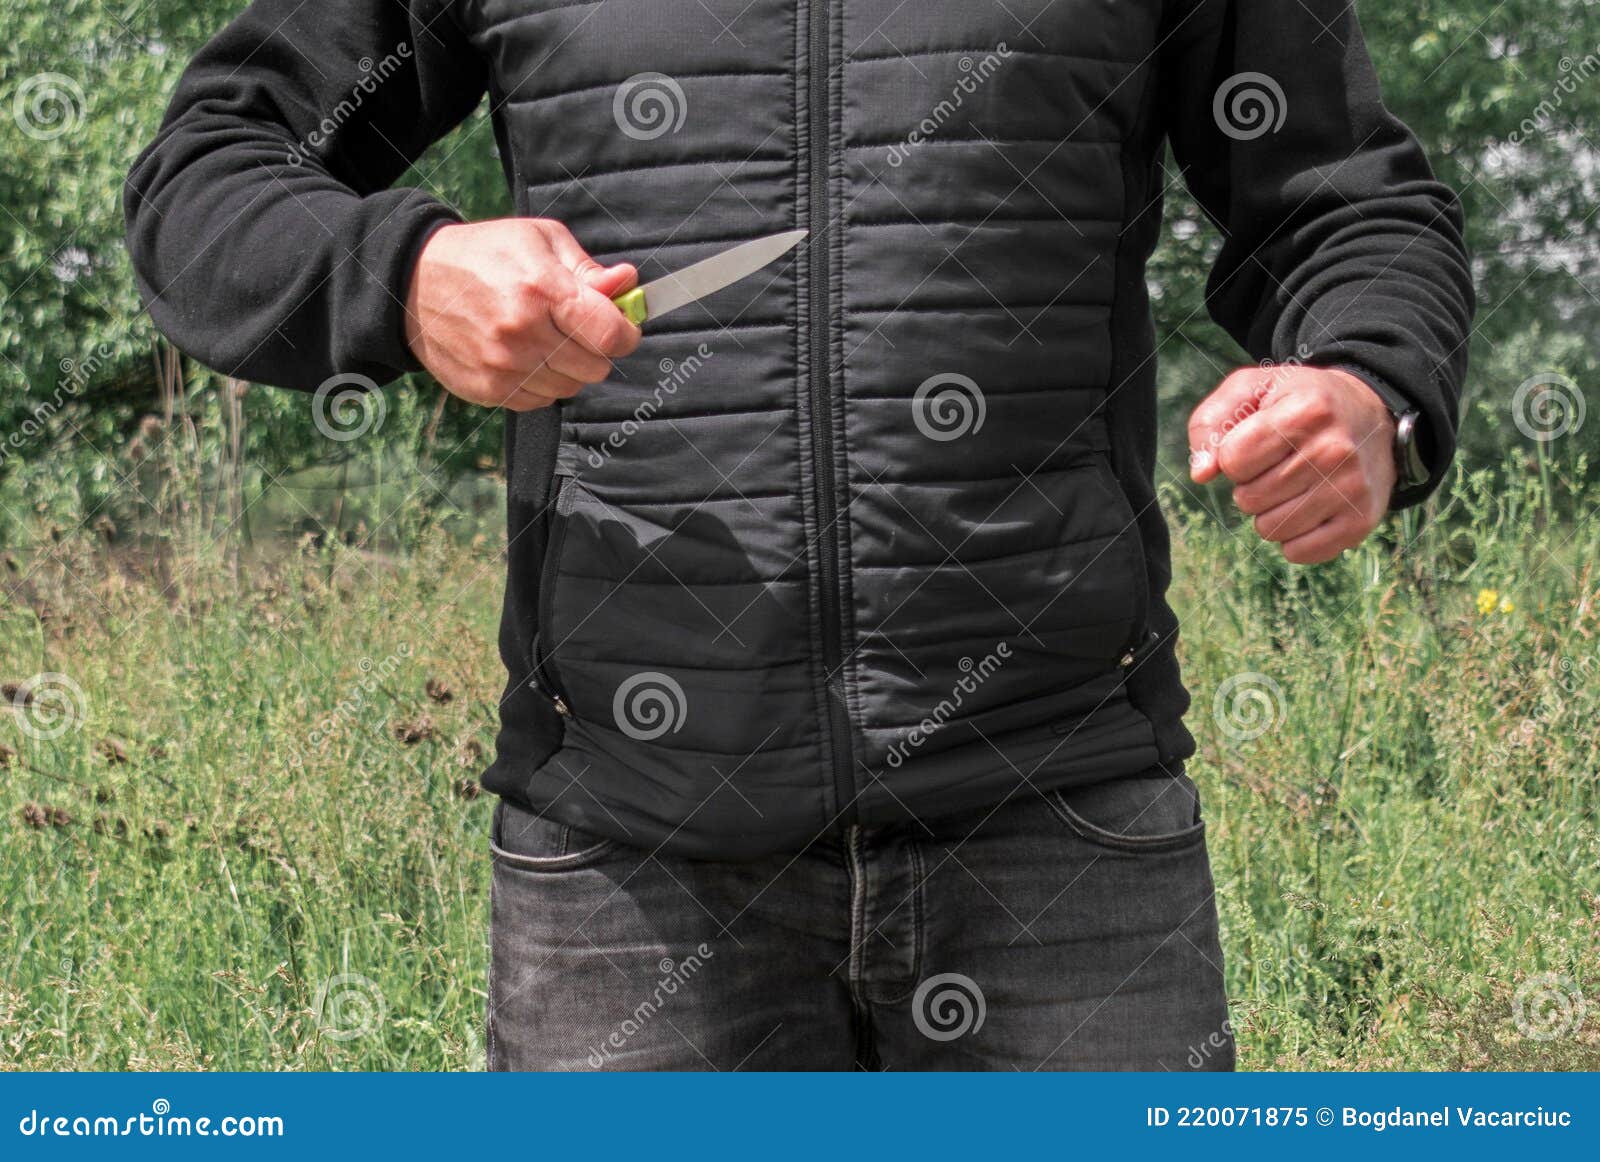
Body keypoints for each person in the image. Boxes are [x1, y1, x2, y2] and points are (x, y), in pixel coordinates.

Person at [125, 0, 1473, 1070]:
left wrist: (1368, 384)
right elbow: (207, 176)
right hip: (626, 862)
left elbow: (1349, 205)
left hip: (1063, 835)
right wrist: (405, 273)